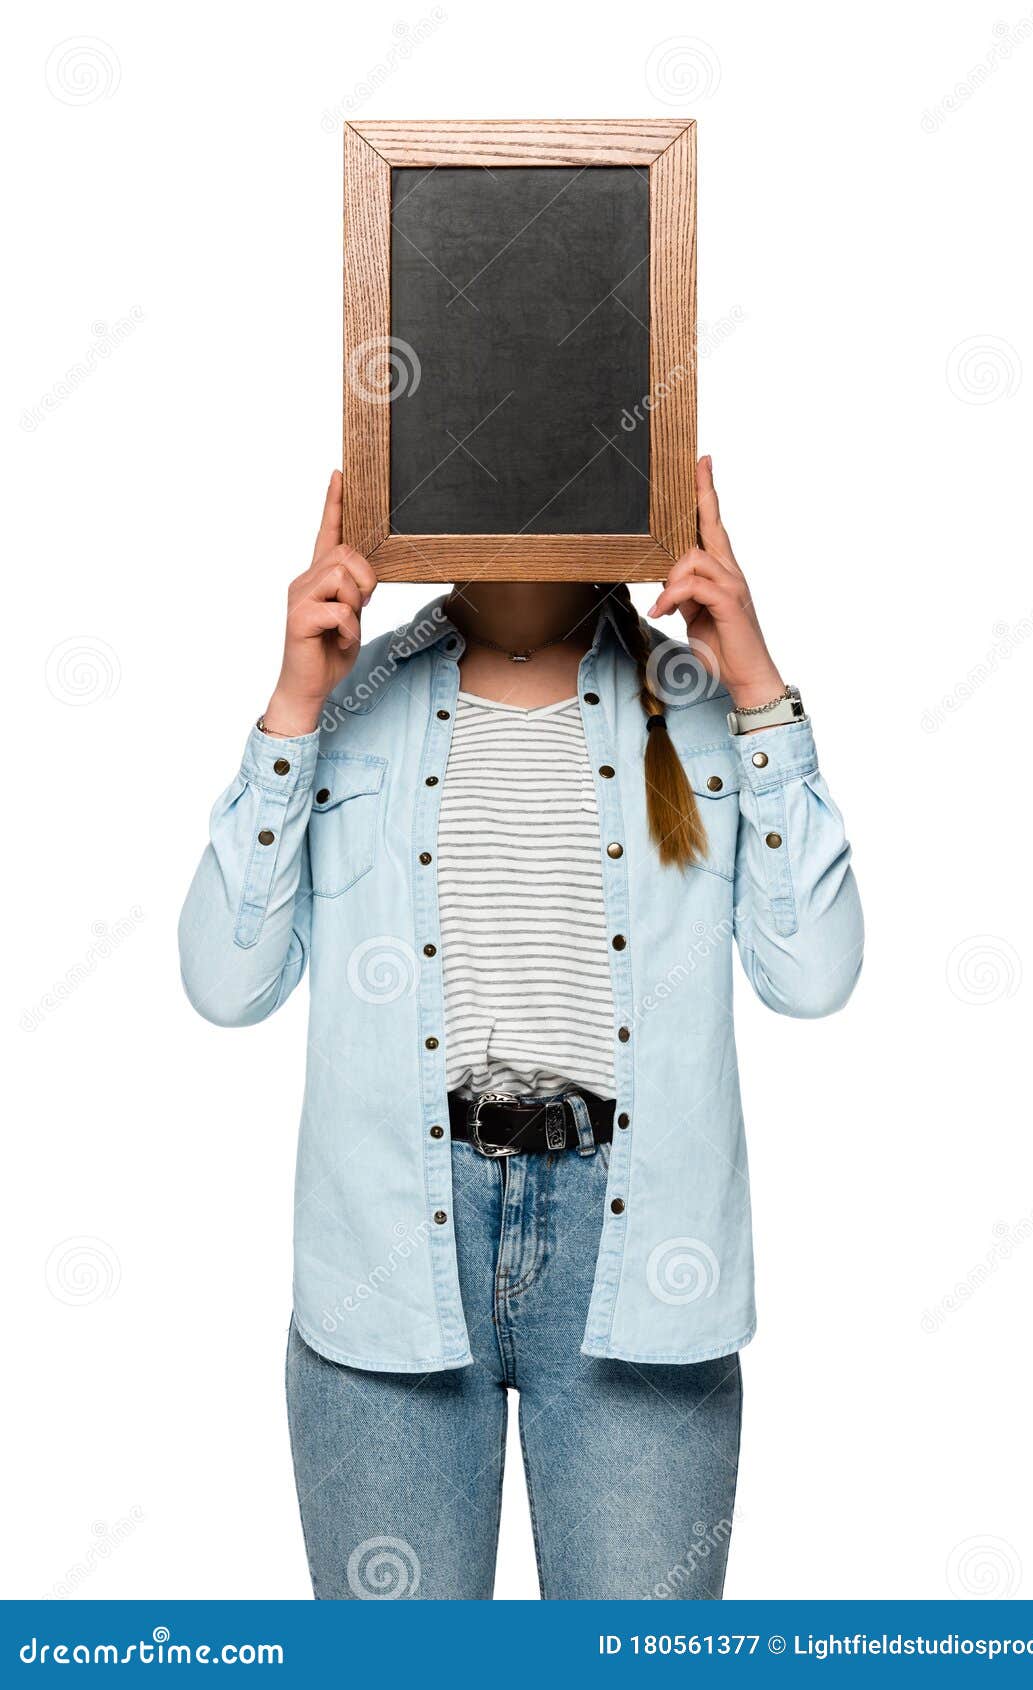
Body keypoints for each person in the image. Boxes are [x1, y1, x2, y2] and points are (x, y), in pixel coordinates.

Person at [178, 456, 863, 1600]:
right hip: (390, 1244)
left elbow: (815, 974)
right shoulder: (353, 700)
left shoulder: (703, 706)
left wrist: (758, 689)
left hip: (638, 1257)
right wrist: (293, 706)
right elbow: (223, 981)